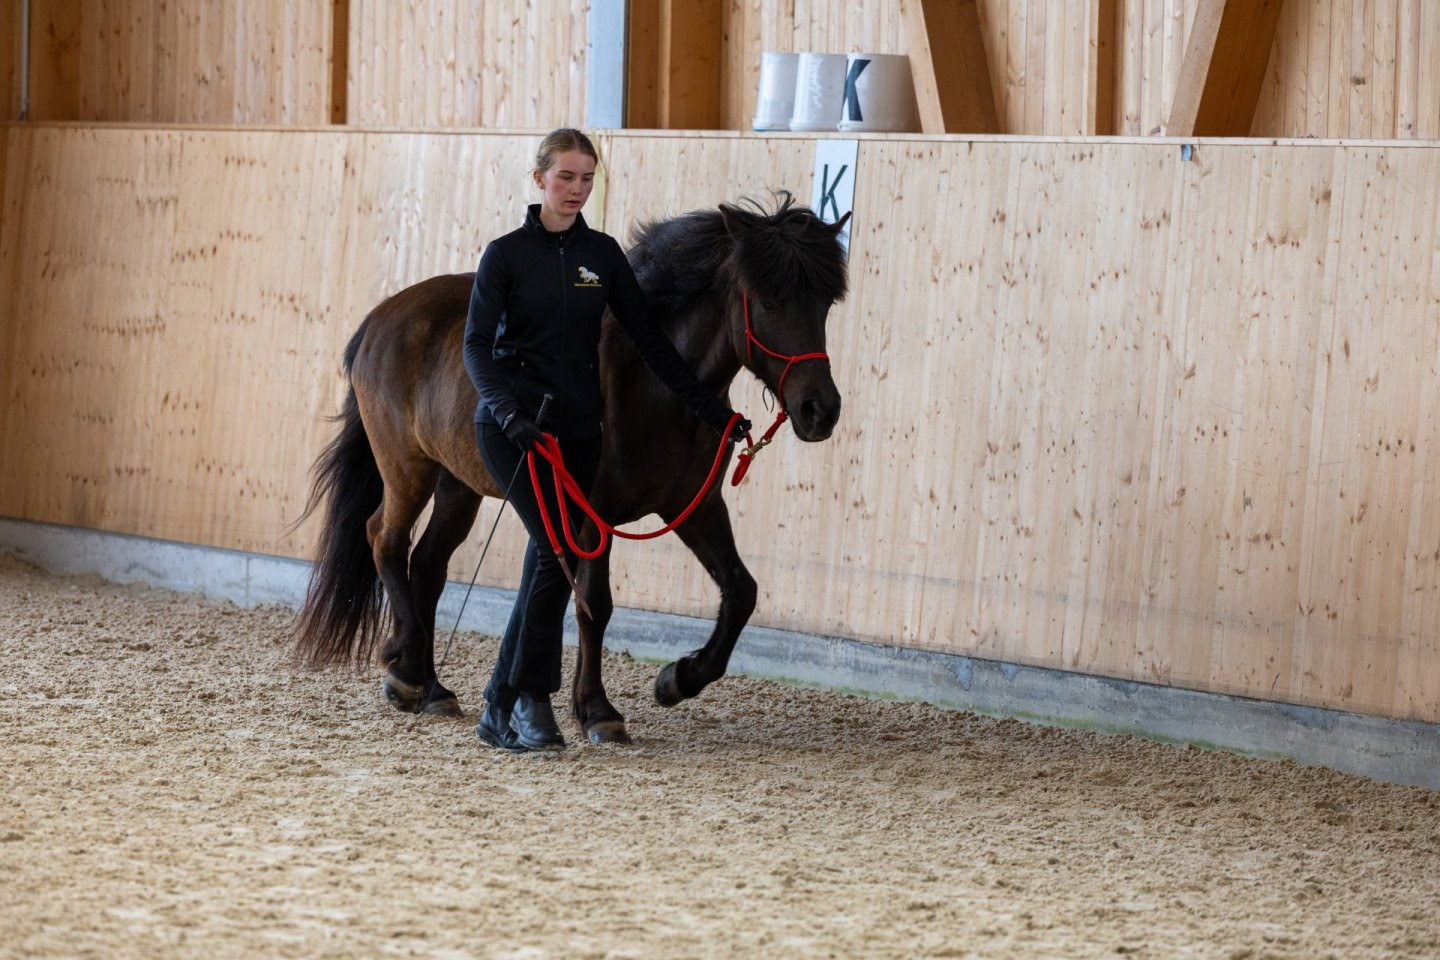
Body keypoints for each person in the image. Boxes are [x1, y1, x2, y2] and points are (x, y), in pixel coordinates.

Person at [464, 128, 749, 752]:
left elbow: (652, 342)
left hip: (579, 431)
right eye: (566, 177)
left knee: (555, 555)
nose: (576, 189)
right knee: (554, 552)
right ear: (539, 178)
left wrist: (710, 409)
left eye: (587, 178)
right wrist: (508, 412)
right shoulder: (506, 255)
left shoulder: (602, 255)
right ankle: (530, 700)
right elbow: (475, 348)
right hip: (514, 429)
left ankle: (498, 703)